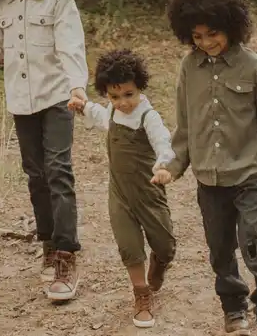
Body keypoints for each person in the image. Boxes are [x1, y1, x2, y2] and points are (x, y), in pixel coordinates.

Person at [151, 0, 257, 336]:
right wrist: (172, 166)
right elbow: (184, 129)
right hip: (208, 179)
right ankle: (233, 308)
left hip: (247, 174)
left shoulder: (253, 66)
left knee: (255, 237)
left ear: (231, 25)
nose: (206, 42)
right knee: (220, 248)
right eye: (197, 37)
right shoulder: (188, 68)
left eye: (213, 33)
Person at [0, 0, 88, 304]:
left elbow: (71, 46)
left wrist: (78, 86)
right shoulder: (1, 0)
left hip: (58, 96)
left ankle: (66, 254)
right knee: (36, 175)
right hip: (21, 101)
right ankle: (47, 241)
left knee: (59, 171)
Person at [69, 48, 176, 329]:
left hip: (148, 192)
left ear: (139, 88)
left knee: (165, 245)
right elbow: (99, 116)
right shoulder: (112, 113)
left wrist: (164, 166)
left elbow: (163, 142)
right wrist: (82, 106)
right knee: (129, 246)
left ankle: (160, 264)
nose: (122, 103)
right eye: (114, 97)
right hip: (120, 193)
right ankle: (141, 295)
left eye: (128, 95)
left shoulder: (148, 117)